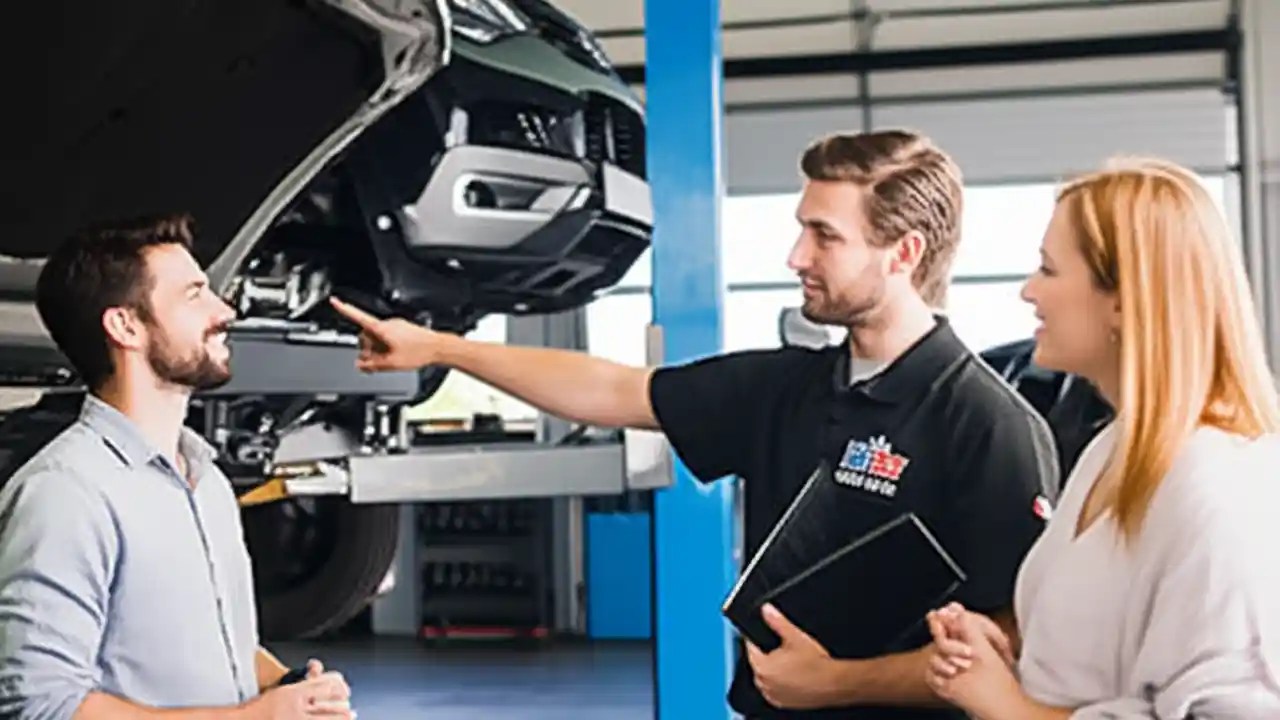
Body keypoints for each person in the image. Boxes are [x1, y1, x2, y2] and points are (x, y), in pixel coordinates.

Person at [331, 129, 1060, 718]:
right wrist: (440, 348)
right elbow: (613, 388)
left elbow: (1011, 644)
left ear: (903, 254)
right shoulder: (787, 386)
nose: (795, 256)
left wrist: (838, 683)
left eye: (824, 236)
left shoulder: (987, 427)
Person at [923, 157, 1280, 718]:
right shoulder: (1111, 449)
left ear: (1122, 298)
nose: (1028, 291)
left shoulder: (1218, 485)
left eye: (1048, 269)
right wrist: (1010, 657)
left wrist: (1008, 707)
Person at [0, 214, 354, 719]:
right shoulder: (65, 493)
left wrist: (289, 686)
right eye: (195, 295)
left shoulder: (204, 478)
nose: (224, 309)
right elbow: (42, 705)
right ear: (125, 326)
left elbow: (221, 643)